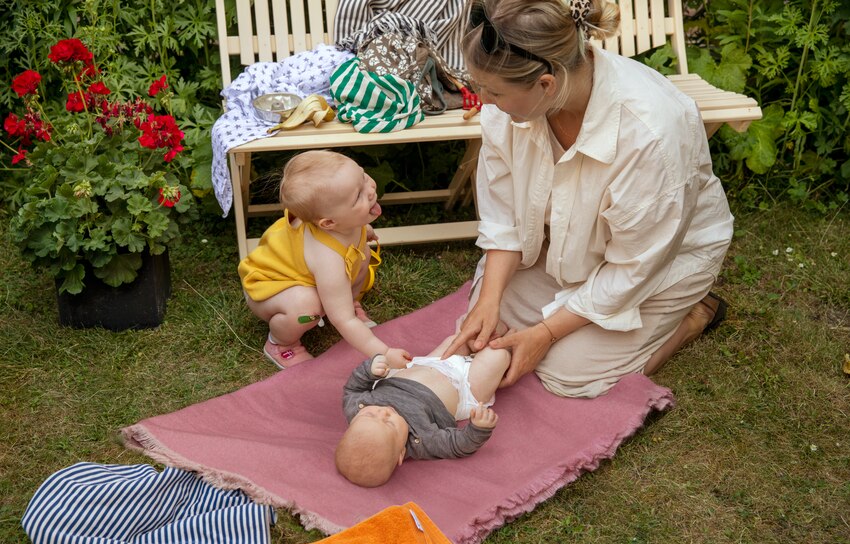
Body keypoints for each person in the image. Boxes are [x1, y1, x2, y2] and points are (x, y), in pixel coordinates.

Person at [442, 0, 734, 398]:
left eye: (493, 91)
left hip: (658, 263)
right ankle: (548, 318)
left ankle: (693, 315)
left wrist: (545, 334)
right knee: (491, 326)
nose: (483, 101)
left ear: (546, 85)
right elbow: (504, 219)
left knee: (568, 376)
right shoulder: (509, 111)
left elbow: (632, 268)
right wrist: (489, 301)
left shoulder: (649, 134)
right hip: (570, 247)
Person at [238, 150, 411, 369]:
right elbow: (344, 321)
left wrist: (363, 228)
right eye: (358, 195)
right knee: (308, 309)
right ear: (328, 223)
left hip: (308, 274)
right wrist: (384, 353)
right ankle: (281, 343)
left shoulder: (342, 223)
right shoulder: (326, 258)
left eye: (363, 176)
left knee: (362, 255)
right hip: (270, 286)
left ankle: (344, 301)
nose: (370, 189)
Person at [335, 333, 509, 487]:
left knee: (462, 338)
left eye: (370, 415)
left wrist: (369, 370)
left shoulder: (356, 406)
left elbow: (353, 388)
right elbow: (457, 445)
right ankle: (504, 344)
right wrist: (478, 428)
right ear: (401, 452)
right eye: (389, 423)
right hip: (465, 386)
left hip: (429, 364)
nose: (383, 412)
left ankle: (484, 339)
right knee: (498, 354)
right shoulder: (421, 441)